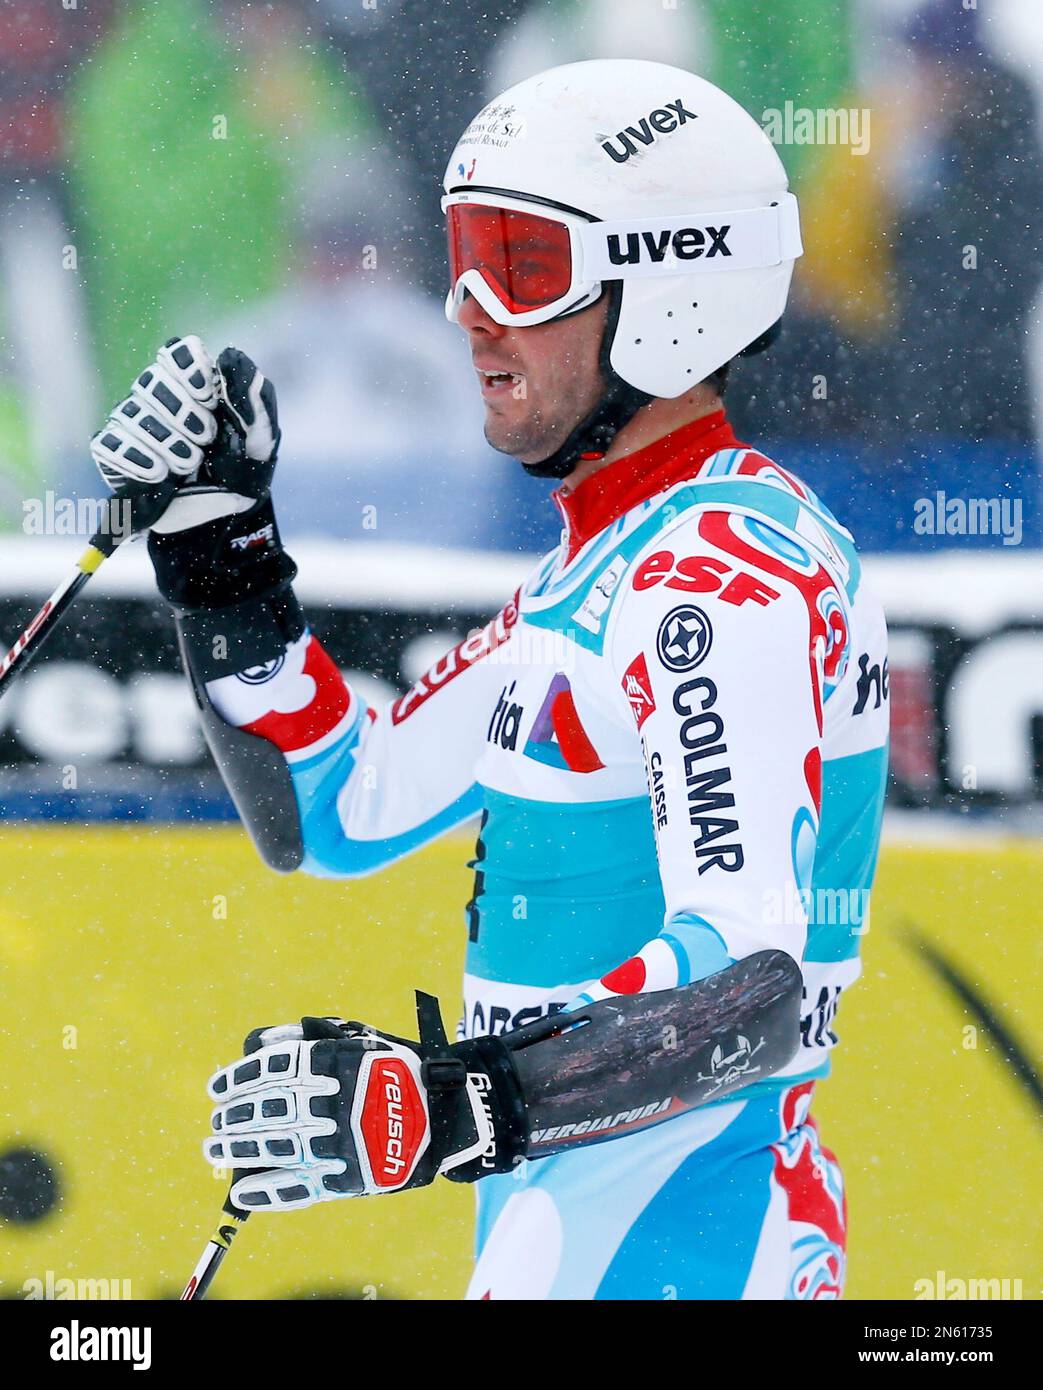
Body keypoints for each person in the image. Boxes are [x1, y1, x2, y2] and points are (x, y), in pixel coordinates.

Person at [91, 60, 889, 1301]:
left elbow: (752, 976)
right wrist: (219, 547)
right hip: (579, 1224)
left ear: (670, 290)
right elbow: (339, 806)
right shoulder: (604, 567)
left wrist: (443, 1102)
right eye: (460, 254)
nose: (467, 308)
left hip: (688, 1234)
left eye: (519, 265)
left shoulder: (714, 583)